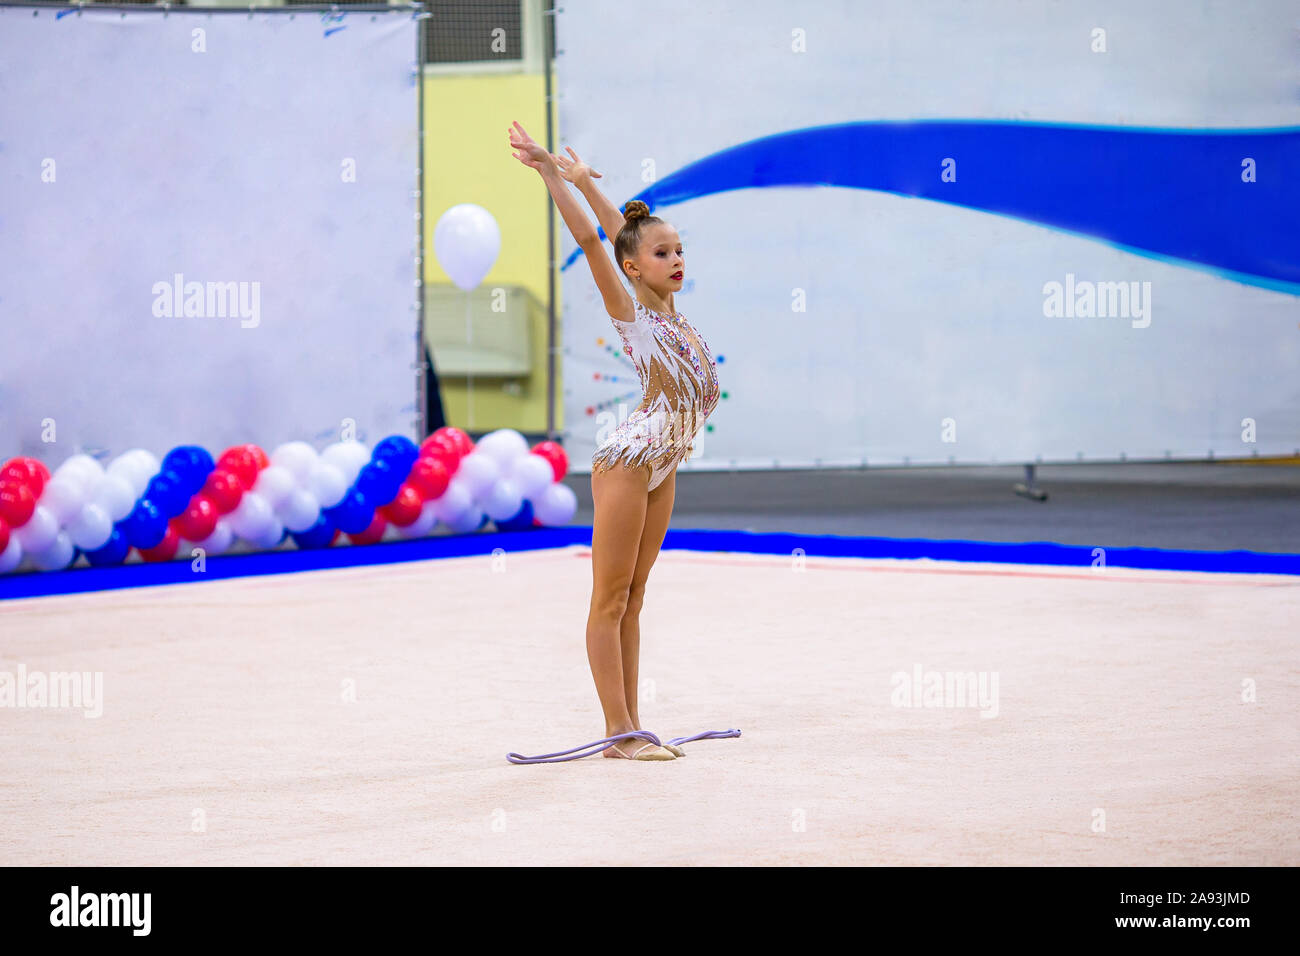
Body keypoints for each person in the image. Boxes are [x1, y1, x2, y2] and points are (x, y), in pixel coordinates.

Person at [508, 121, 720, 760]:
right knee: (609, 599)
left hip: (665, 464)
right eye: (664, 255)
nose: (676, 259)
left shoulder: (672, 315)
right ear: (633, 270)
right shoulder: (634, 316)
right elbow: (595, 242)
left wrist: (591, 185)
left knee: (635, 598)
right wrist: (551, 175)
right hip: (629, 463)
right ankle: (618, 732)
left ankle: (630, 725)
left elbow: (628, 236)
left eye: (680, 250)